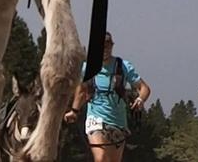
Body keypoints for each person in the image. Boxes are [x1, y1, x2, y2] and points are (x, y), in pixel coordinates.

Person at [63, 32, 151, 162]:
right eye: (101, 46)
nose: (104, 49)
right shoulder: (88, 68)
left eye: (107, 45)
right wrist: (74, 111)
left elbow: (144, 88)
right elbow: (81, 91)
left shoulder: (123, 66)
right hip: (95, 119)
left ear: (112, 46)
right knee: (101, 158)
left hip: (118, 122)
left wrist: (140, 99)